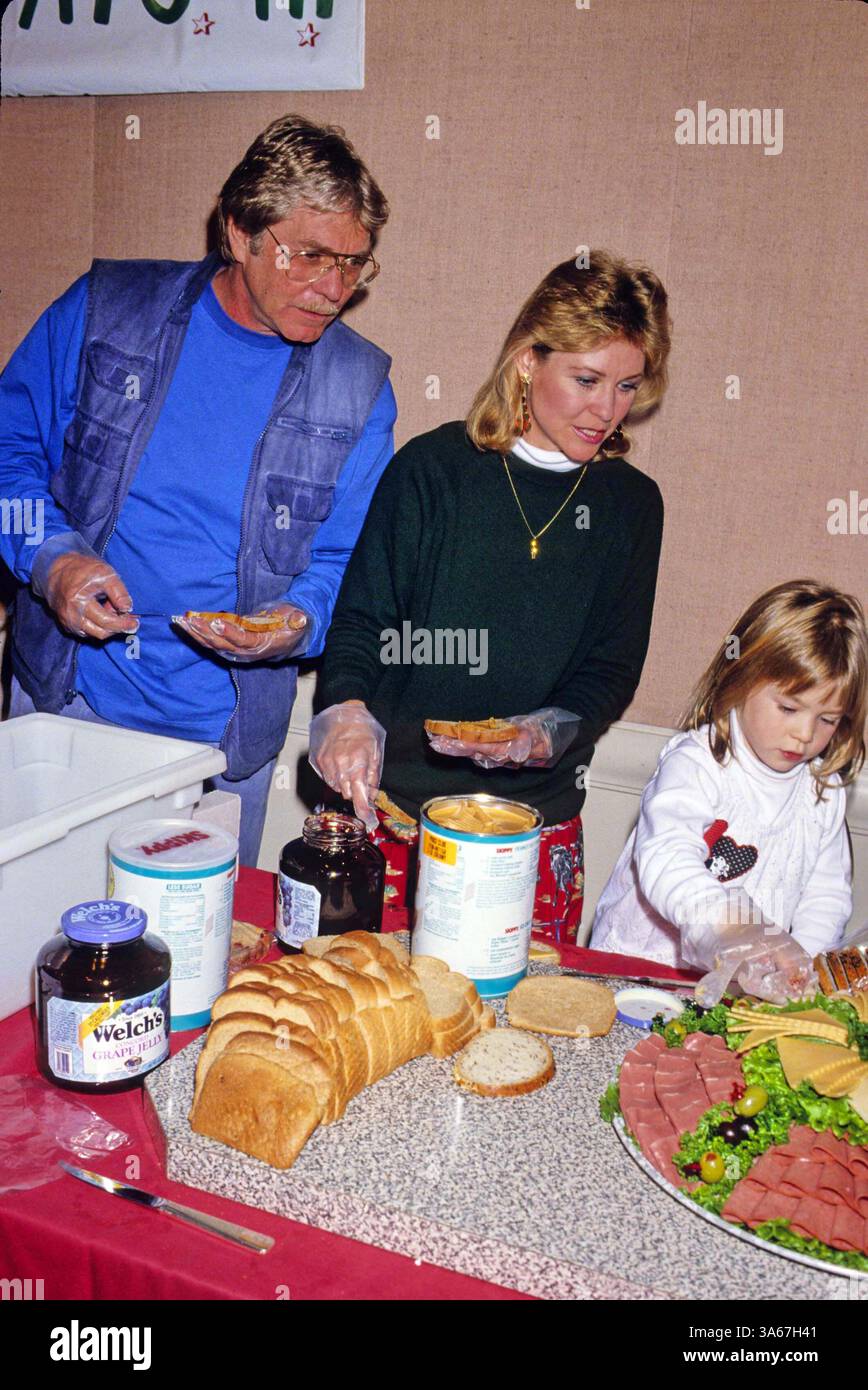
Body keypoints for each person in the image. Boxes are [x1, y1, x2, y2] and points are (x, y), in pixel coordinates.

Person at [0, 114, 397, 864]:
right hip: (64, 704)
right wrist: (51, 559)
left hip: (219, 747)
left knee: (196, 961)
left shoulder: (360, 391)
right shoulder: (104, 308)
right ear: (238, 230)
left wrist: (296, 621)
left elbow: (349, 561)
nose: (333, 288)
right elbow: (5, 454)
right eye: (310, 255)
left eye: (354, 265)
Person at [307, 250, 672, 942]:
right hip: (395, 821)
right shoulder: (433, 470)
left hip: (533, 832)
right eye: (587, 379)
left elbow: (611, 670)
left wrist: (548, 732)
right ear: (529, 361)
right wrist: (346, 710)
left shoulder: (632, 506)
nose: (607, 410)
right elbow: (364, 620)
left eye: (628, 386)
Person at [590, 580, 868, 1001]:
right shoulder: (697, 764)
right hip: (641, 971)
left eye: (828, 719)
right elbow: (667, 855)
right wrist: (730, 923)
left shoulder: (822, 792)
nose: (804, 733)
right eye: (789, 708)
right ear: (741, 677)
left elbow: (825, 897)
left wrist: (799, 968)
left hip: (740, 989)